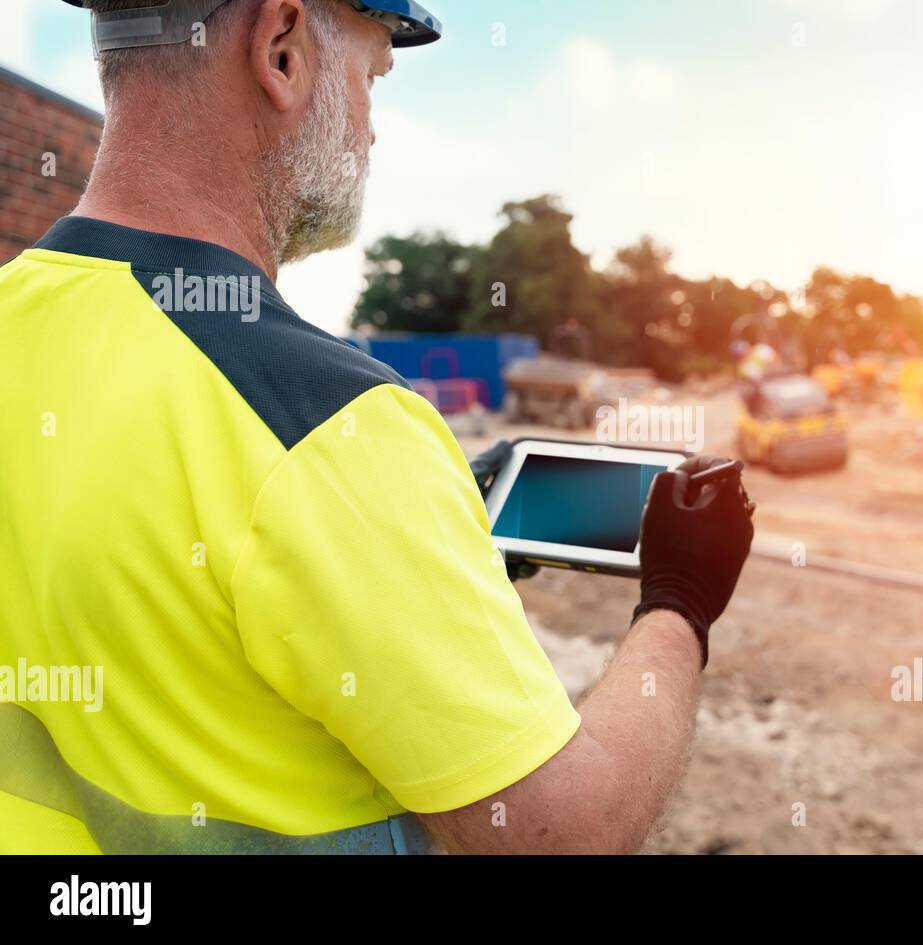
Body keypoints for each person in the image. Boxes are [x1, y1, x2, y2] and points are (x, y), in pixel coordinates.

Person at [0, 0, 753, 854]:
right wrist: (681, 599)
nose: (370, 129)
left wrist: (411, 527)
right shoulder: (331, 426)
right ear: (281, 49)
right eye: (372, 75)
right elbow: (561, 831)